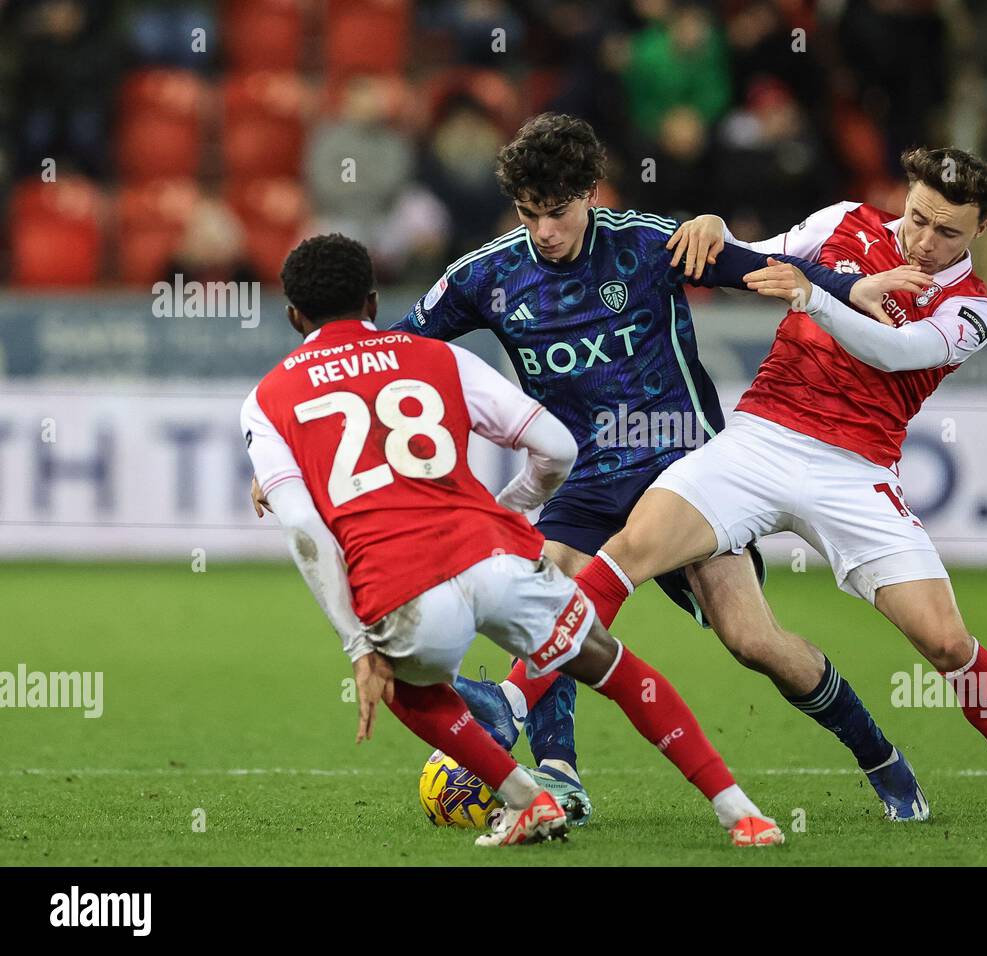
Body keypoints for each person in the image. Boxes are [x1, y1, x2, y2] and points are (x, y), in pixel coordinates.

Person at [549, 146, 987, 825]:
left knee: (945, 642)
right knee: (628, 552)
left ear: (982, 232)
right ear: (902, 197)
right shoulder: (843, 222)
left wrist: (813, 295)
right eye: (917, 219)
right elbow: (750, 257)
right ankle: (518, 707)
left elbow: (893, 350)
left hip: (856, 472)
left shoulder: (972, 310)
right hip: (759, 439)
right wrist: (711, 225)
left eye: (949, 232)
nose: (925, 241)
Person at [389, 112, 931, 822]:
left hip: (684, 468)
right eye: (530, 216)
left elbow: (758, 267)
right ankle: (559, 772)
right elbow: (396, 350)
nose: (544, 231)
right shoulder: (486, 276)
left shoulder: (647, 246)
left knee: (752, 641)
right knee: (545, 596)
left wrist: (841, 287)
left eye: (557, 213)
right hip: (584, 478)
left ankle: (879, 757)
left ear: (591, 193)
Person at [241, 233, 782, 848]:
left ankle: (525, 798)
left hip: (406, 592)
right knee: (613, 665)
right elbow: (556, 447)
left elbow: (307, 533)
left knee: (408, 691)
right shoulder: (437, 358)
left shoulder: (267, 399)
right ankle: (741, 813)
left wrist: (358, 645)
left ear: (292, 316)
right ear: (371, 301)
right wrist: (512, 509)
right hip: (497, 559)